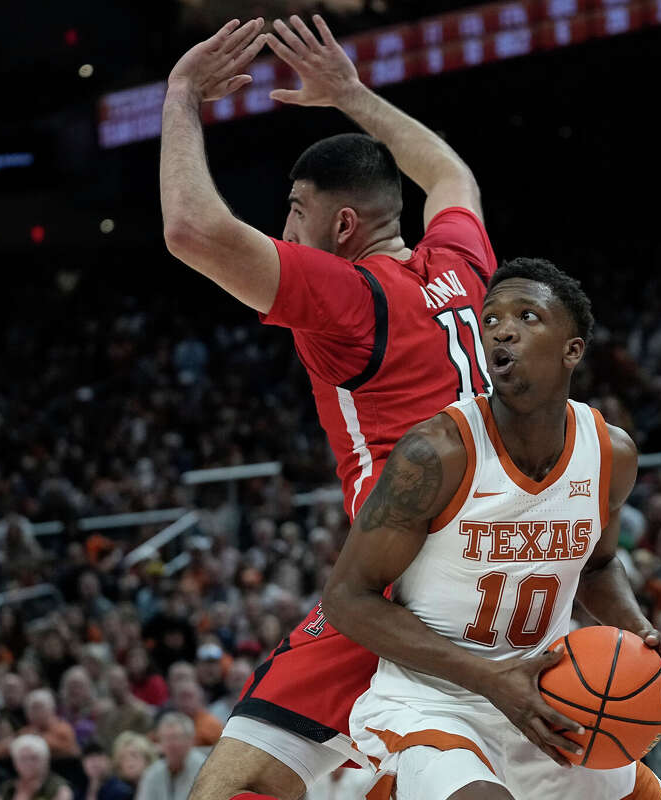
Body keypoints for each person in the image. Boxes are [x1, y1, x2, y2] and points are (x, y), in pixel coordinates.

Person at [161, 14, 502, 800]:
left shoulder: (351, 295)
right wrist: (351, 95)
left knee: (229, 787)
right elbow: (453, 177)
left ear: (342, 225)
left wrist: (182, 95)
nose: (285, 227)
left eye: (293, 211)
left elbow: (191, 230)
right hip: (493, 569)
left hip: (400, 581)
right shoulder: (456, 268)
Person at [321, 258, 661, 799]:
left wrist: (640, 632)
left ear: (572, 349)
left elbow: (598, 565)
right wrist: (492, 682)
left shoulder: (610, 453)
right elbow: (347, 600)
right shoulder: (436, 453)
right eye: (489, 320)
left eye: (528, 316)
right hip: (438, 703)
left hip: (550, 696)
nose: (502, 329)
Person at [134, 714, 205, 800]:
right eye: (166, 738)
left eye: (176, 738)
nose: (171, 744)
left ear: (190, 740)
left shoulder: (204, 768)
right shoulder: (153, 773)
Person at [0, 734, 72, 800]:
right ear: (15, 762)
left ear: (46, 760)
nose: (28, 763)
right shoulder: (7, 788)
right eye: (23, 759)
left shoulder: (59, 788)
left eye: (34, 758)